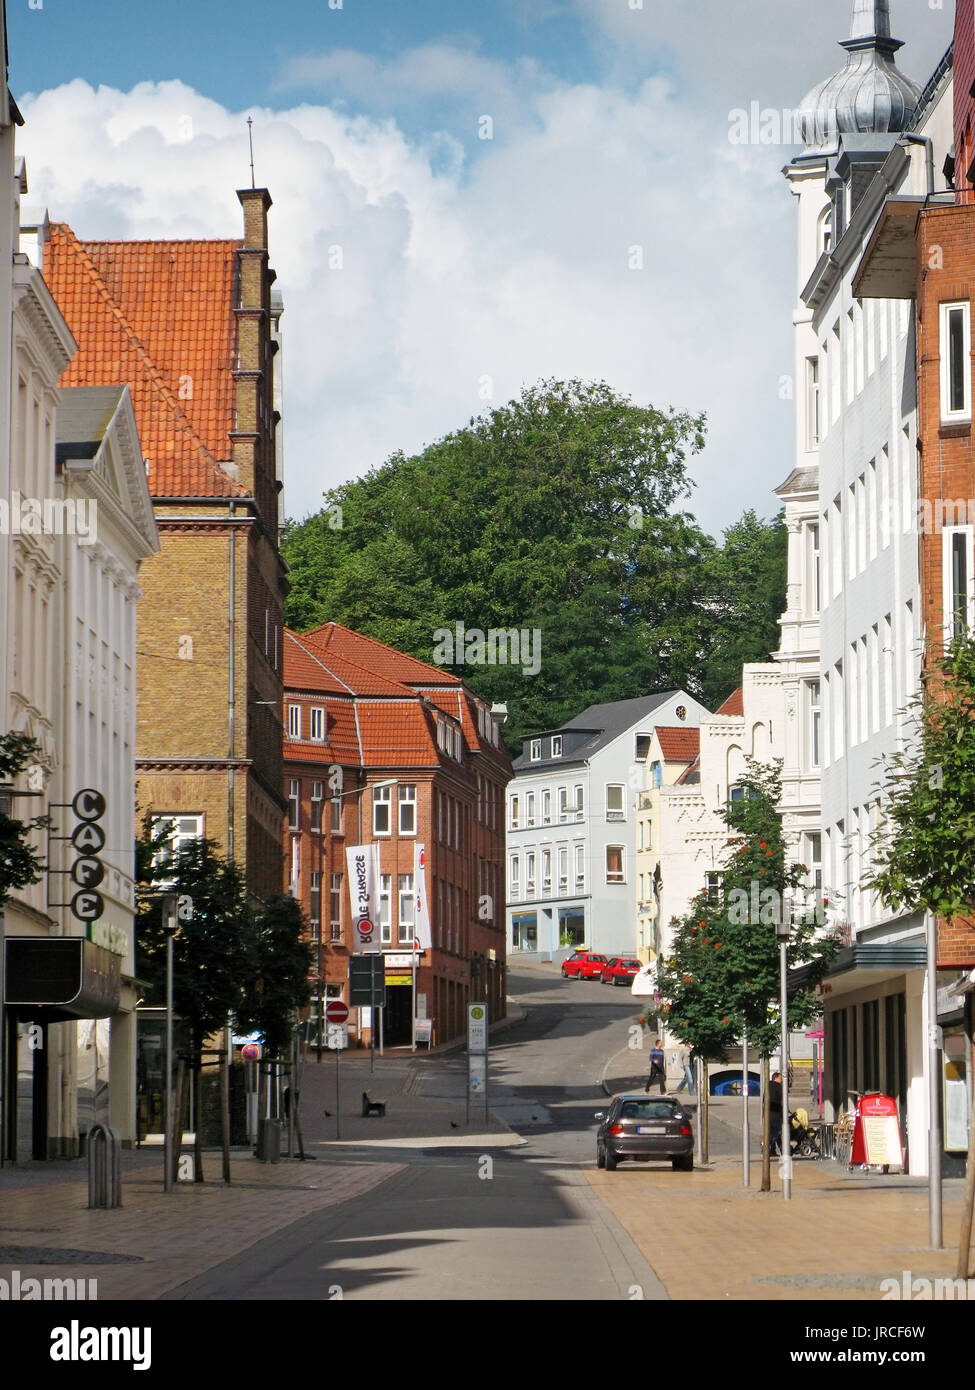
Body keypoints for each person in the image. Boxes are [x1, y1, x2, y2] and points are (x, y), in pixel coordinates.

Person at [768, 1070, 784, 1155]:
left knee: (771, 1131)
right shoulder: (778, 1086)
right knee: (777, 1131)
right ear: (776, 1078)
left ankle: (773, 1150)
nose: (782, 1080)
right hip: (776, 1112)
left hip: (767, 1112)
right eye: (780, 1078)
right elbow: (781, 1099)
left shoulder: (768, 1086)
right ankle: (767, 1145)